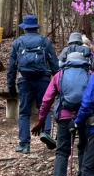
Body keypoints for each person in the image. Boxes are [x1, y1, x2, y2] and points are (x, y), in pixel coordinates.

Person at [32, 51, 90, 176]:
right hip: (84, 117)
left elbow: (47, 100)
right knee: (84, 146)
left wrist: (41, 121)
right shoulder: (89, 74)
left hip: (65, 117)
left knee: (62, 152)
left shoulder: (60, 75)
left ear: (67, 61)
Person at [7, 15, 59, 154]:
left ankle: (25, 144)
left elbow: (12, 66)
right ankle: (46, 133)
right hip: (43, 79)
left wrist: (11, 86)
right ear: (36, 28)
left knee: (24, 112)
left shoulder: (18, 42)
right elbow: (54, 63)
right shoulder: (44, 41)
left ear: (25, 28)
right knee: (45, 107)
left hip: (24, 80)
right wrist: (59, 82)